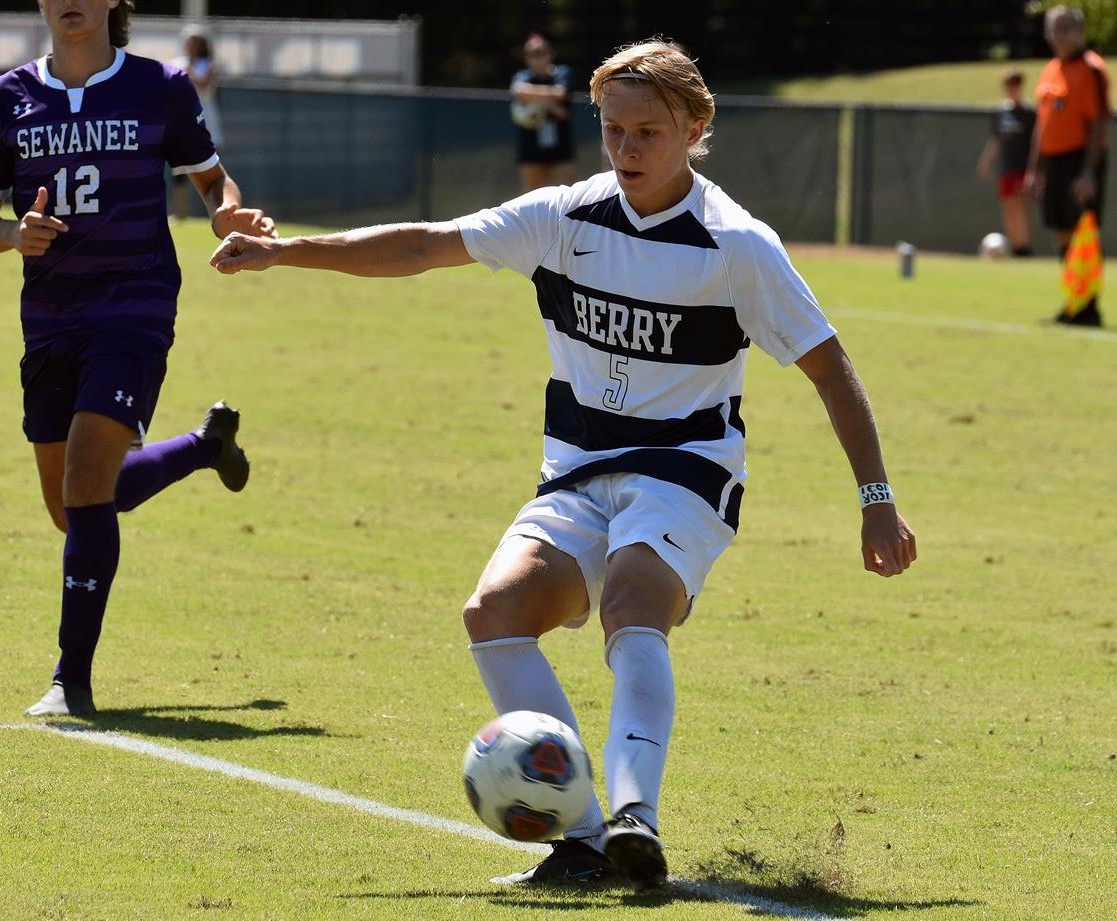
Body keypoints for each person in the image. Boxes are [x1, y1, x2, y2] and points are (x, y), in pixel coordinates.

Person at [210, 39, 917, 890]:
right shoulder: (563, 217)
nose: (625, 151)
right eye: (612, 129)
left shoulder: (738, 246)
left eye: (648, 132)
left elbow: (827, 365)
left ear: (695, 127)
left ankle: (635, 814)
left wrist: (875, 498)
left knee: (629, 603)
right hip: (577, 468)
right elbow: (422, 246)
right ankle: (585, 837)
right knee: (494, 610)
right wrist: (286, 251)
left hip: (686, 467)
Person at [0, 0, 275, 717]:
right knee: (71, 506)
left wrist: (227, 210)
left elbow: (211, 178)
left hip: (134, 305)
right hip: (47, 316)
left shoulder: (159, 86)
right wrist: (12, 236)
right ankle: (203, 447)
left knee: (83, 478)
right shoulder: (6, 98)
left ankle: (71, 679)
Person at [1025, 5, 1110, 326]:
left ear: (1080, 32)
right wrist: (1035, 170)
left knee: (1084, 233)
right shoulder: (1050, 70)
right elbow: (1043, 124)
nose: (1059, 35)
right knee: (1062, 233)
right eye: (1054, 29)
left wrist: (1088, 172)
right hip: (1055, 160)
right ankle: (1074, 302)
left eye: (1065, 28)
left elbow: (1099, 125)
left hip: (1080, 158)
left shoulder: (1092, 69)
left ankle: (1089, 306)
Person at [976, 69, 1035, 257]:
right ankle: (1014, 244)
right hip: (1006, 167)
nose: (1011, 90)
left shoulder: (1028, 112)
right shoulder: (1001, 112)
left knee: (1019, 206)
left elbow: (1037, 141)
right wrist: (986, 162)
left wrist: (1034, 169)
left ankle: (1023, 247)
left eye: (1014, 86)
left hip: (1022, 166)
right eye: (1008, 86)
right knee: (1008, 207)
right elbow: (996, 140)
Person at [510, 33, 577, 192]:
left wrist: (535, 98)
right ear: (526, 58)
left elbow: (561, 94)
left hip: (560, 147)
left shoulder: (562, 73)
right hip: (531, 148)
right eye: (533, 54)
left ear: (551, 53)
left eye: (542, 52)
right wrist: (550, 100)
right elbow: (518, 90)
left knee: (568, 195)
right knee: (532, 198)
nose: (538, 57)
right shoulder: (522, 76)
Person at [171, 28, 224, 219]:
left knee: (210, 172)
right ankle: (181, 212)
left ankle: (216, 213)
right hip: (183, 124)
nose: (190, 46)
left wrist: (190, 67)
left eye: (194, 42)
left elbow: (203, 83)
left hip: (207, 124)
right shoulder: (177, 64)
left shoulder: (208, 64)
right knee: (180, 173)